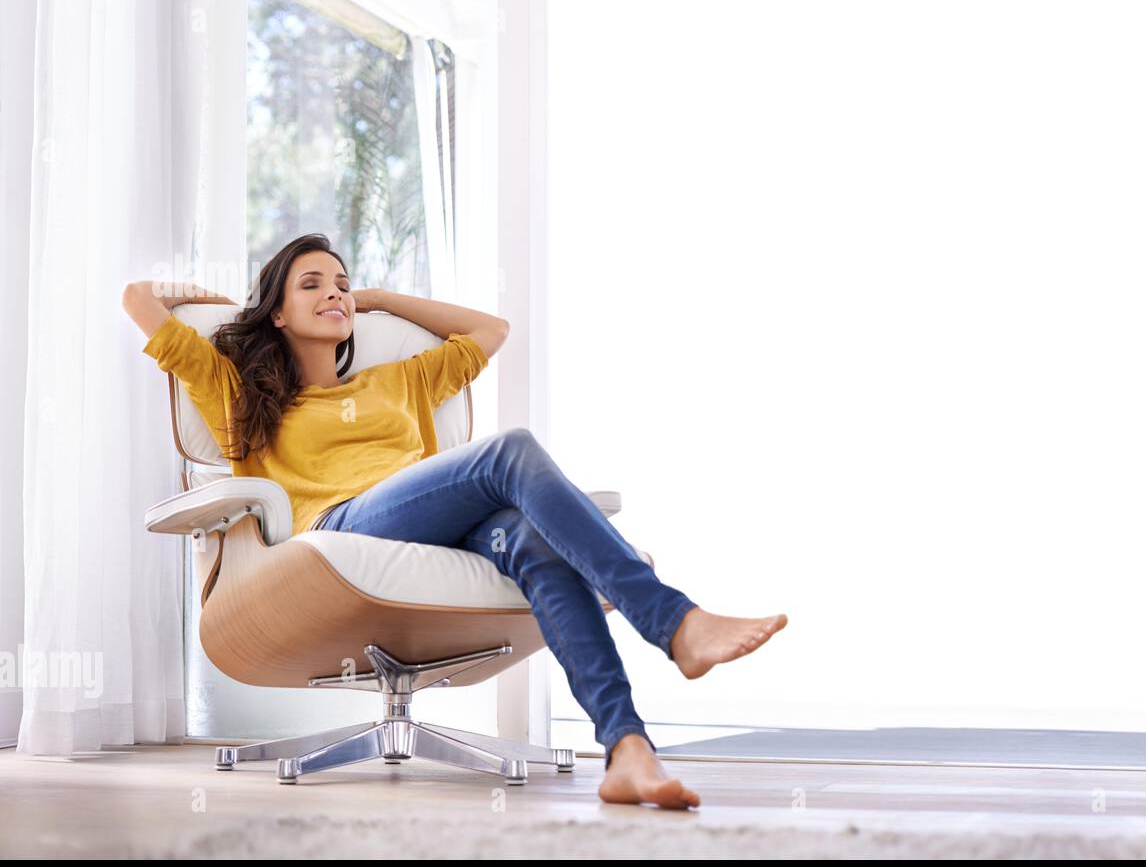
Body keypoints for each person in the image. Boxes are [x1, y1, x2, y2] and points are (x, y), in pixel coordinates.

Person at [123, 232, 787, 809]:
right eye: (313, 284)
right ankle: (673, 621)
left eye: (344, 285)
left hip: (433, 522)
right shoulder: (238, 392)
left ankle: (627, 748)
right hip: (339, 528)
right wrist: (188, 291)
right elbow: (137, 302)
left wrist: (380, 299)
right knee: (510, 451)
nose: (337, 293)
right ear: (276, 311)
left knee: (535, 544)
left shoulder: (399, 381)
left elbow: (489, 330)